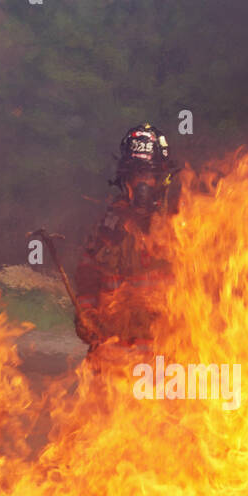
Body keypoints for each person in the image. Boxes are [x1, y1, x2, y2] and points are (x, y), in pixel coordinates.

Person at [73, 124, 177, 351]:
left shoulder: (182, 228)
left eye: (148, 175)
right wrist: (86, 315)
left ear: (161, 179)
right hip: (112, 359)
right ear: (125, 178)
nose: (142, 184)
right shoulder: (107, 228)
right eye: (136, 174)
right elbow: (86, 282)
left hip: (164, 358)